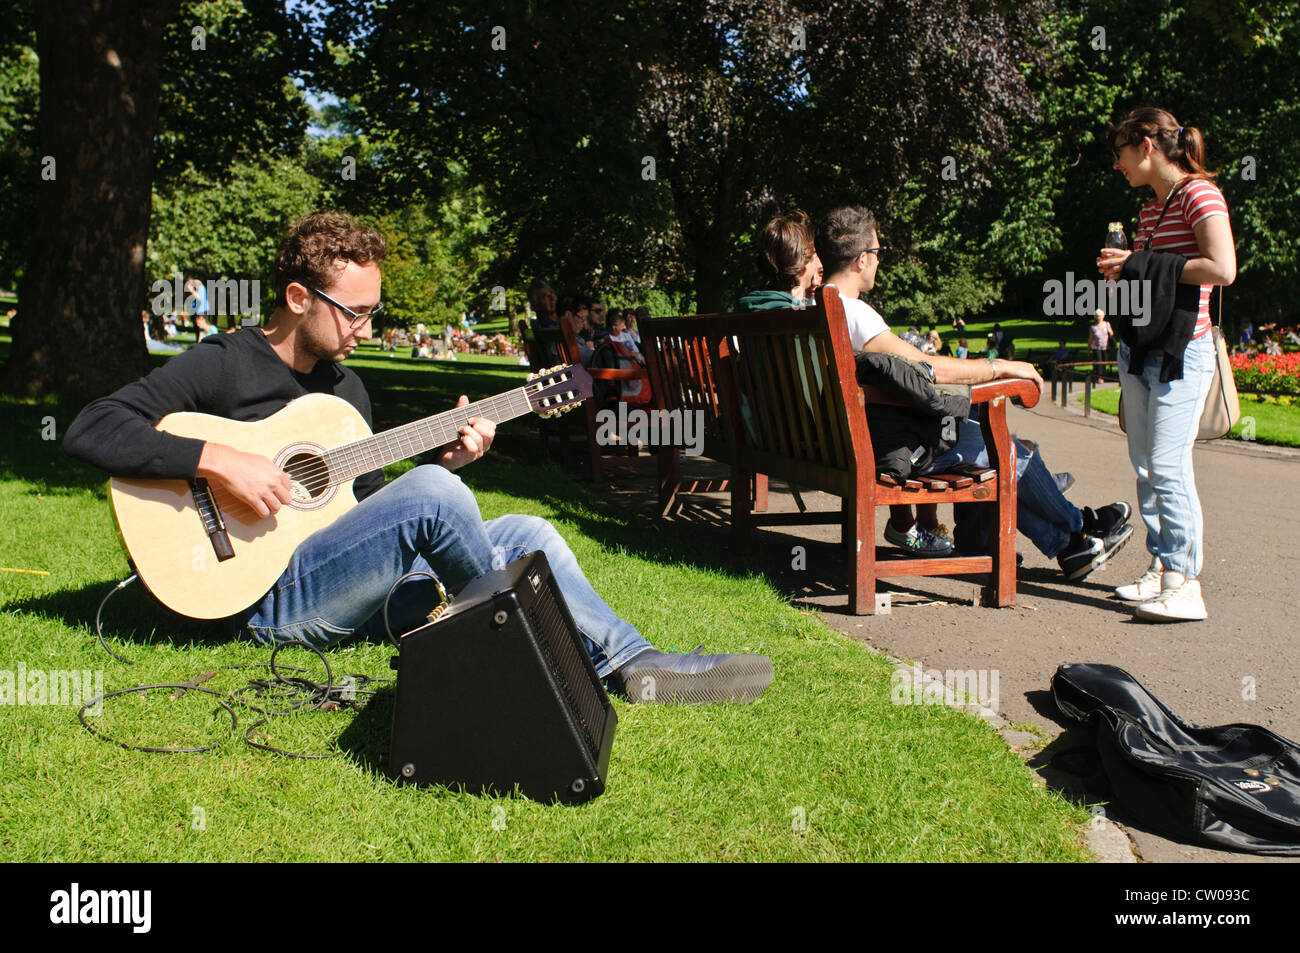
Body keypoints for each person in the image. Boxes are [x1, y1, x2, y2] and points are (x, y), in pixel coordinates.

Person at [65, 211, 771, 705]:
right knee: (435, 493)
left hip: (336, 579)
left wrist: (451, 465)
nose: (366, 328)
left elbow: (369, 512)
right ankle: (524, 660)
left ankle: (634, 663)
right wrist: (220, 458)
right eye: (355, 313)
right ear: (295, 296)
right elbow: (93, 427)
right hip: (257, 598)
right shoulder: (226, 363)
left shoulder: (348, 390)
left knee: (531, 532)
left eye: (374, 311)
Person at [817, 204, 1134, 581]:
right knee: (1006, 451)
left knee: (979, 434)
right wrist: (1002, 367)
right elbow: (926, 368)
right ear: (860, 259)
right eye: (879, 252)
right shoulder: (850, 312)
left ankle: (1064, 544)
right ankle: (1081, 527)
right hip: (882, 449)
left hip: (837, 443)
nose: (880, 261)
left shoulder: (812, 305)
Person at [737, 210, 951, 557]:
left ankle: (912, 525)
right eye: (815, 254)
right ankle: (930, 527)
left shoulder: (756, 314)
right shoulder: (806, 321)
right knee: (946, 429)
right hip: (821, 442)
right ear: (804, 262)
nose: (822, 261)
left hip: (770, 436)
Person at [1099, 107, 1235, 621]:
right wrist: (1124, 272)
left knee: (1169, 464)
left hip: (1183, 349)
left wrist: (1135, 263)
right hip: (1142, 346)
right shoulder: (1150, 211)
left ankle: (1187, 581)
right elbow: (1157, 277)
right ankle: (1163, 566)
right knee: (1145, 464)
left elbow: (1222, 269)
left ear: (1147, 146)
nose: (1118, 165)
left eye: (1120, 152)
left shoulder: (1200, 194)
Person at [1089, 309, 1114, 381]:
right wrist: (1089, 348)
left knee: (1104, 362)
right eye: (1097, 316)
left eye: (1099, 316)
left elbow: (1111, 333)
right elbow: (1090, 339)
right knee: (1099, 361)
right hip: (1096, 347)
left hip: (1105, 347)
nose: (1098, 317)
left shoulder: (1107, 324)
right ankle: (1099, 377)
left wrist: (1109, 332)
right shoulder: (1093, 327)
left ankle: (1103, 376)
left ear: (1103, 316)